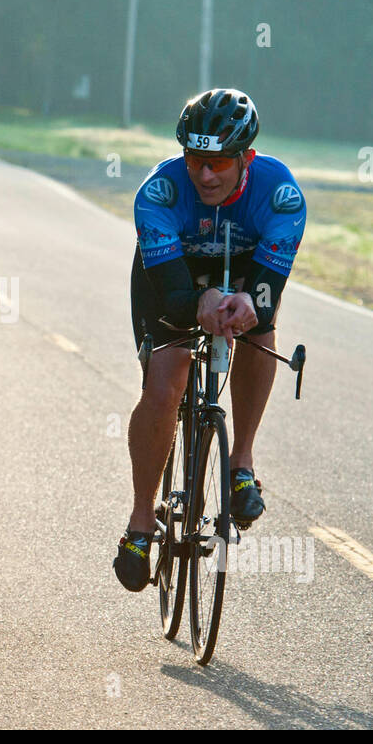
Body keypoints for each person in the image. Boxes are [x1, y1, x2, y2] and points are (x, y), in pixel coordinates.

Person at [114, 88, 306, 592]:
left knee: (258, 330)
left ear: (247, 157)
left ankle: (241, 462)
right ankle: (139, 523)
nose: (204, 175)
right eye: (195, 161)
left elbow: (266, 290)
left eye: (219, 163)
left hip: (242, 268)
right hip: (172, 271)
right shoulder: (159, 193)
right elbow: (176, 297)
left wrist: (248, 305)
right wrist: (197, 304)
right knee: (167, 377)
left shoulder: (281, 196)